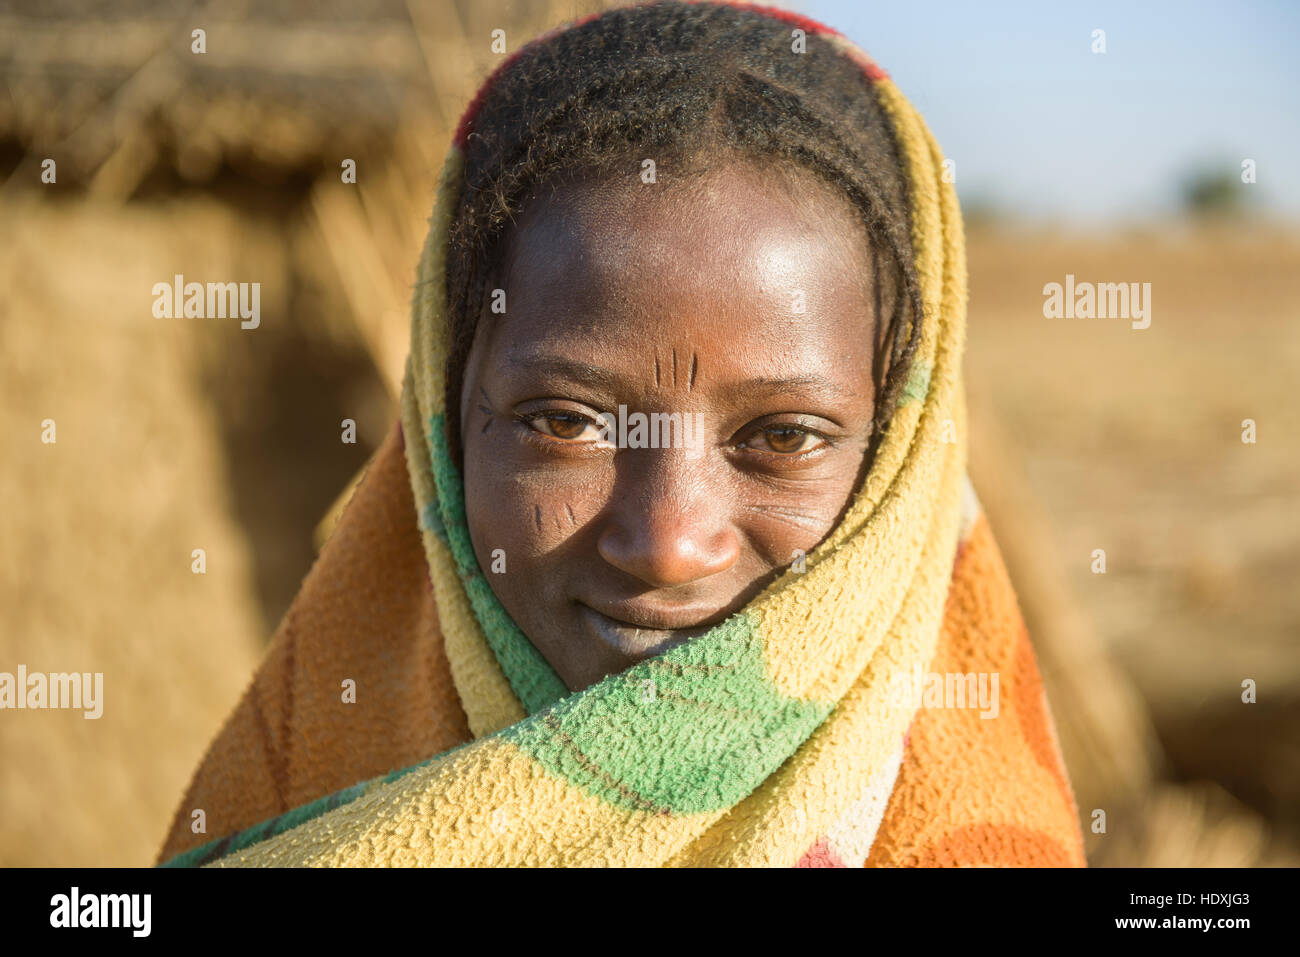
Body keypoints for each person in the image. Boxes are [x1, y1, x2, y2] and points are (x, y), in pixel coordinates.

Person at [158, 0, 1086, 867]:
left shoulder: (966, 842)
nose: (668, 544)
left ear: (897, 453)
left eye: (784, 437)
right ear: (445, 411)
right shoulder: (297, 776)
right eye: (565, 422)